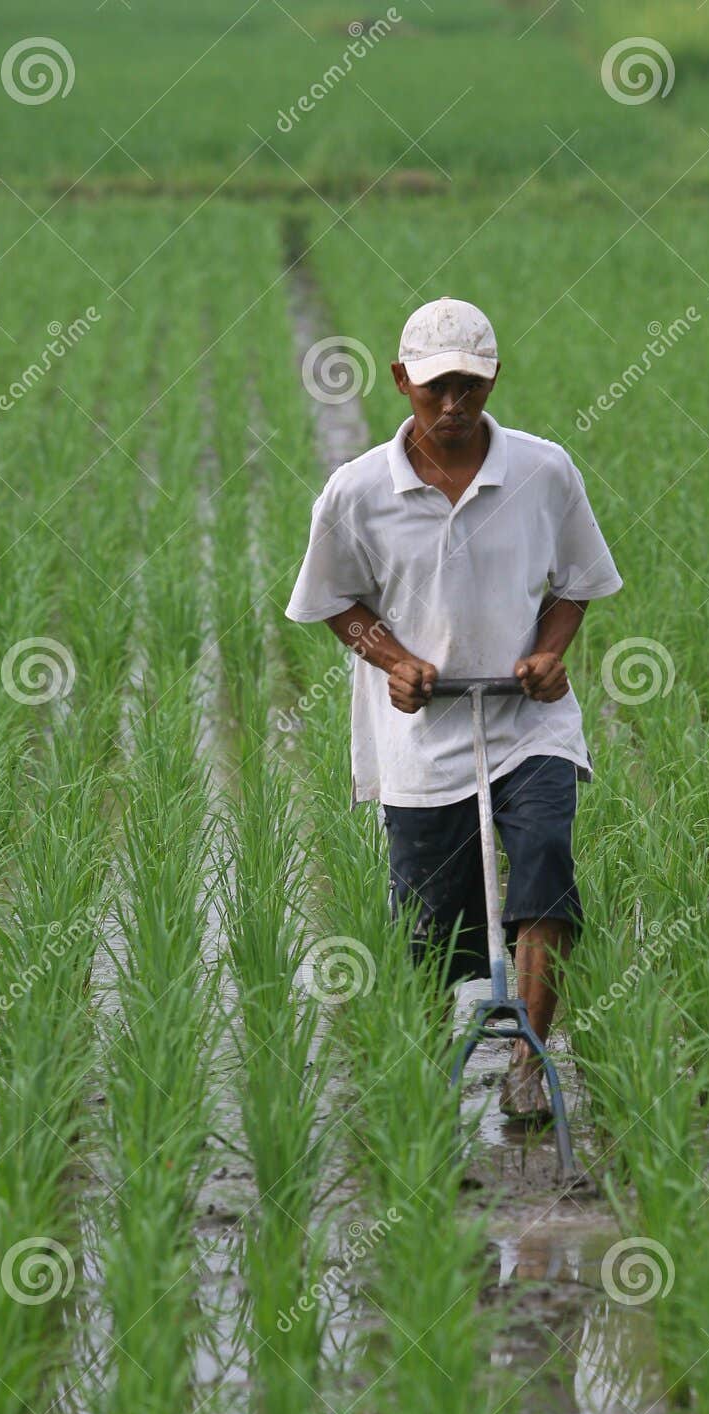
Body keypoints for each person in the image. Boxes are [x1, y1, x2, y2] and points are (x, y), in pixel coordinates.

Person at [285, 296, 623, 1120]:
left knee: (544, 861)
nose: (452, 404)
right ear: (401, 380)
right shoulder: (358, 490)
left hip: (527, 720)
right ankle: (423, 1082)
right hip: (422, 735)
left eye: (469, 385)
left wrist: (550, 654)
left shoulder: (545, 472)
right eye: (434, 387)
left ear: (493, 378)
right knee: (437, 928)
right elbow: (334, 600)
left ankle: (526, 1063)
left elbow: (577, 586)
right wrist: (395, 661)